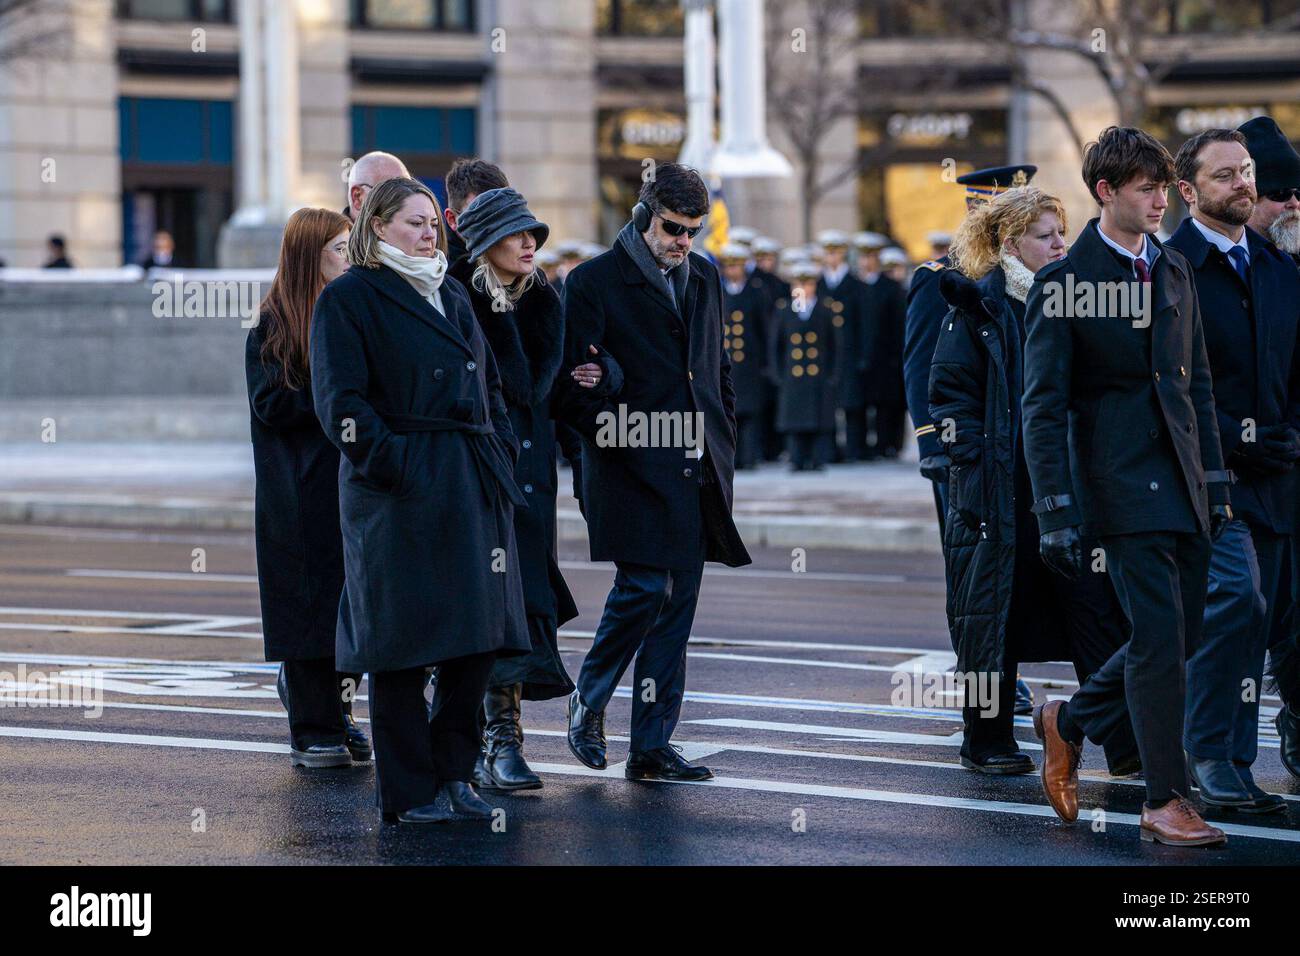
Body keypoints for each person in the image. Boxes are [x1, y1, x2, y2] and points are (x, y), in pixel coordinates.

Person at [1024, 127, 1231, 847]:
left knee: (1184, 634)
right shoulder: (1064, 284)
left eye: (1165, 187)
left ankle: (1069, 721)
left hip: (1184, 484)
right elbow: (1042, 406)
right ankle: (1163, 798)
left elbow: (1196, 385)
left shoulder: (1174, 270)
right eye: (1147, 189)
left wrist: (1215, 482)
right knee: (1159, 636)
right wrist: (1055, 510)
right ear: (1107, 192)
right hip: (1117, 487)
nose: (1160, 200)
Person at [310, 177, 531, 823]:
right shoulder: (351, 297)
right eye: (414, 223)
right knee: (403, 647)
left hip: (470, 481)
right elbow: (340, 403)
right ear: (378, 227)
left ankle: (455, 773)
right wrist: (397, 465)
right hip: (398, 494)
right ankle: (408, 793)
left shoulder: (452, 291)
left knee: (475, 641)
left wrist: (501, 448)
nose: (429, 234)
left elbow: (490, 384)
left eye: (434, 223)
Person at [929, 186, 1138, 776]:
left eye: (1061, 233)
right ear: (1009, 241)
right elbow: (948, 400)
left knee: (1097, 610)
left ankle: (1124, 744)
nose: (1059, 245)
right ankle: (988, 740)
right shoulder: (976, 308)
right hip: (1001, 492)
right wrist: (971, 462)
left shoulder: (1077, 299)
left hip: (1072, 488)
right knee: (996, 615)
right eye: (1045, 235)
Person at [556, 163, 751, 782]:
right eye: (673, 228)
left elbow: (715, 367)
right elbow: (571, 388)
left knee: (678, 606)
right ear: (643, 216)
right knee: (645, 588)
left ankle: (651, 745)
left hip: (696, 465)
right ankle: (589, 696)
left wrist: (724, 435)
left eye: (694, 231)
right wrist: (608, 392)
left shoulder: (705, 277)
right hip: (625, 463)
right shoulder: (591, 282)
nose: (683, 242)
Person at [451, 186, 609, 791]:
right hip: (477, 475)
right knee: (482, 606)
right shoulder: (454, 296)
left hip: (533, 476)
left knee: (523, 604)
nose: (529, 243)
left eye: (533, 234)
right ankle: (484, 740)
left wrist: (598, 376)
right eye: (517, 234)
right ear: (484, 242)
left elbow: (564, 388)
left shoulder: (544, 299)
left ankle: (501, 739)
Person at [1167, 129, 1298, 813]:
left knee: (1267, 616)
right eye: (1225, 176)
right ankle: (1211, 755)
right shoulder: (1167, 266)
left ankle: (1241, 759)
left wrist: (1289, 435)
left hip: (1278, 476)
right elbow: (1162, 383)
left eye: (1246, 172)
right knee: (1232, 608)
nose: (1243, 185)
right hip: (1205, 481)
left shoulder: (1280, 269)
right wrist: (1230, 440)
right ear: (1187, 191)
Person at [246, 207, 372, 769]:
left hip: (351, 485)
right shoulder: (275, 322)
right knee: (308, 610)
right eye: (339, 248)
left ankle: (341, 714)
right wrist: (333, 402)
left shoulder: (348, 311)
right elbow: (270, 404)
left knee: (353, 605)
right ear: (309, 254)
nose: (348, 257)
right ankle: (313, 726)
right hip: (298, 492)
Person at [1239, 116, 1300, 781]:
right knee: (1241, 618)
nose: (1292, 205)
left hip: (1289, 463)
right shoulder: (1216, 265)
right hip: (1246, 474)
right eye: (1279, 193)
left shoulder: (1291, 262)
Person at [774, 259, 837, 471]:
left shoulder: (825, 310)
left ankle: (818, 459)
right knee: (795, 420)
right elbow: (775, 345)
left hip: (818, 375)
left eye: (807, 284)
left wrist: (832, 374)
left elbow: (835, 344)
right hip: (793, 375)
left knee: (818, 419)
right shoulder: (784, 311)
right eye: (798, 285)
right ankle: (797, 458)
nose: (802, 289)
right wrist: (778, 375)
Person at [815, 230, 869, 462]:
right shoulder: (816, 283)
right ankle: (828, 450)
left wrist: (863, 354)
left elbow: (865, 323)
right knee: (826, 403)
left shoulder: (856, 284)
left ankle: (854, 449)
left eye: (836, 253)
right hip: (824, 352)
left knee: (852, 404)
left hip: (849, 351)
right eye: (828, 253)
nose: (832, 257)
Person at [855, 231, 907, 459]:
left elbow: (898, 325)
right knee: (861, 404)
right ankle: (865, 445)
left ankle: (888, 444)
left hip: (886, 357)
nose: (867, 262)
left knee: (887, 404)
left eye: (872, 257)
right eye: (863, 257)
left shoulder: (891, 287)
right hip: (860, 356)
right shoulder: (854, 287)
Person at [719, 242, 770, 469]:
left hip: (750, 362)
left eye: (736, 266)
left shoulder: (756, 291)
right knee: (729, 412)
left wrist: (766, 361)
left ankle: (750, 456)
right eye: (728, 266)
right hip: (726, 363)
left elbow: (766, 328)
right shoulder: (718, 290)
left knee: (750, 412)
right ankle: (733, 458)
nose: (732, 271)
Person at [750, 235, 790, 461]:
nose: (765, 263)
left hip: (776, 347)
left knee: (775, 401)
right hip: (757, 350)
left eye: (769, 258)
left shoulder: (780, 285)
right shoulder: (753, 284)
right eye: (761, 258)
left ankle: (775, 448)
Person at [443, 158, 509, 273]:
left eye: (500, 214)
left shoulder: (517, 259)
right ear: (452, 219)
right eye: (479, 215)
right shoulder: (437, 273)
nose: (492, 226)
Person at [343, 151, 410, 222]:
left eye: (408, 194)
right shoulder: (333, 231)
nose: (405, 203)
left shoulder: (417, 231)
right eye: (391, 193)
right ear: (358, 197)